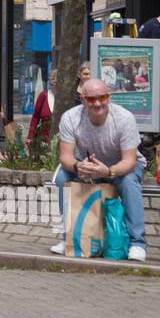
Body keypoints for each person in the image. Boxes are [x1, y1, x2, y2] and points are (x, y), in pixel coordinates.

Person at [50, 78, 147, 261]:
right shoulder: (70, 117)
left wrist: (108, 172)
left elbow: (130, 161)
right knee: (63, 177)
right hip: (88, 166)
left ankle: (137, 243)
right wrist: (78, 166)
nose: (97, 103)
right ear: (83, 99)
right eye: (91, 99)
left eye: (101, 98)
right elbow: (65, 156)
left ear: (108, 97)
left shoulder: (124, 118)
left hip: (121, 167)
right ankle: (69, 238)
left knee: (128, 182)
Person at [27, 71, 57, 145]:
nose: (54, 84)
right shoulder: (43, 96)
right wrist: (30, 136)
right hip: (44, 142)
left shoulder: (66, 99)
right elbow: (35, 117)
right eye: (53, 81)